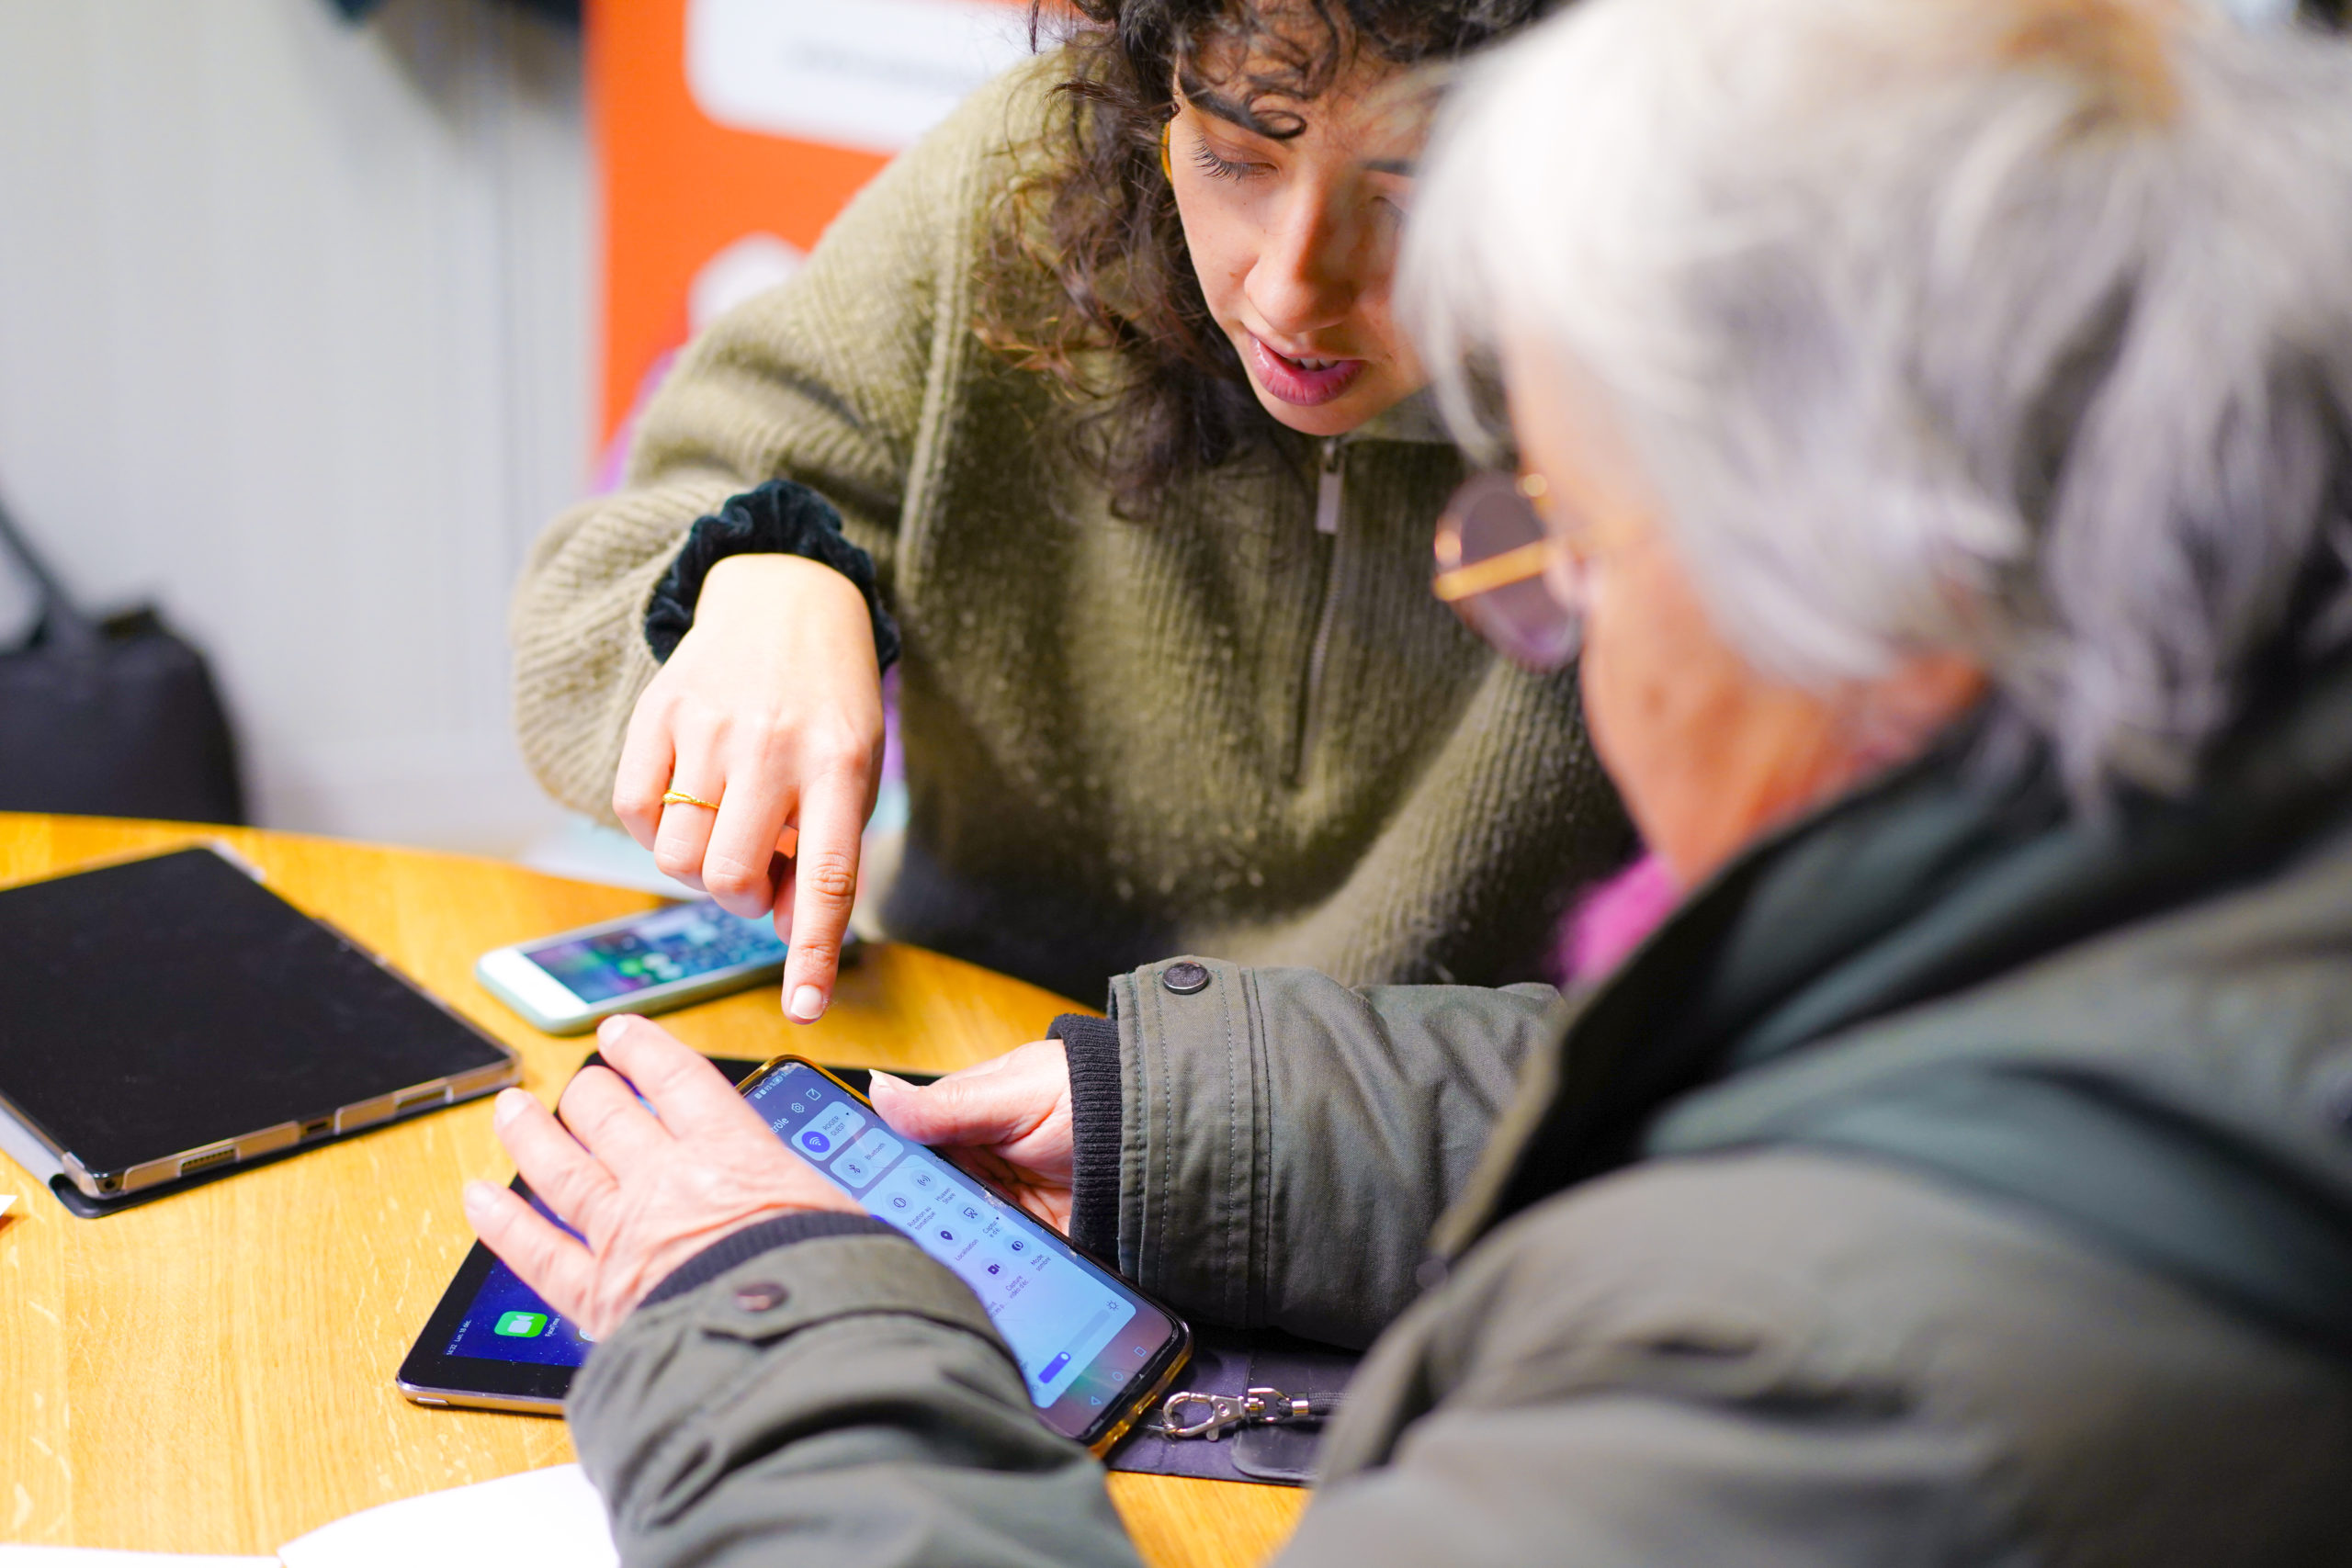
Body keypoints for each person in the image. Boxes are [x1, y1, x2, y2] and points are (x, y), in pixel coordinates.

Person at [469, 0, 2352, 1560]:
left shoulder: (1796, 1370)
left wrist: (759, 1309)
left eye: (1577, 545)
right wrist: (1175, 1116)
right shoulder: (2202, 916)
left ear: (1889, 592)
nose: (1566, 635)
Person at [511, 0, 1631, 1018]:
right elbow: (595, 595)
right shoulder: (1022, 183)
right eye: (1237, 157)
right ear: (1155, 88)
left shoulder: (1675, 342)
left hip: (1429, 1162)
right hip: (969, 1045)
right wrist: (758, 580)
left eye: (1404, 204)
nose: (1292, 291)